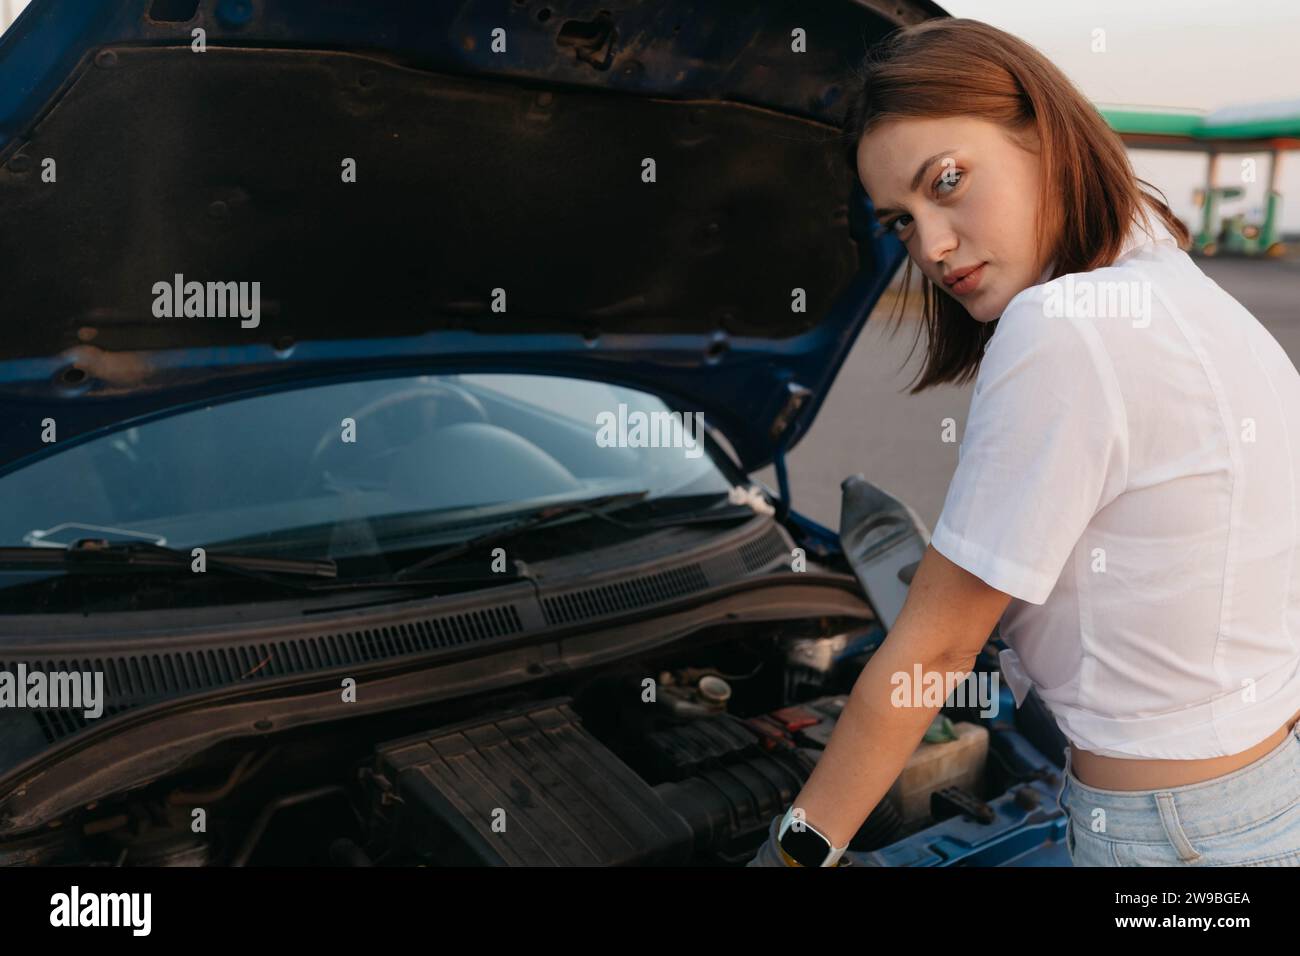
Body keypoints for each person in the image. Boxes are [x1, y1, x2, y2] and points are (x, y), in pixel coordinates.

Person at [749, 17, 1300, 867]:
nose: (930, 246)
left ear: (1044, 134)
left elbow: (935, 649)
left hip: (1172, 837)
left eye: (949, 180)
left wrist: (794, 852)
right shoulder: (1189, 298)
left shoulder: (1064, 325)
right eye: (898, 222)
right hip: (1256, 799)